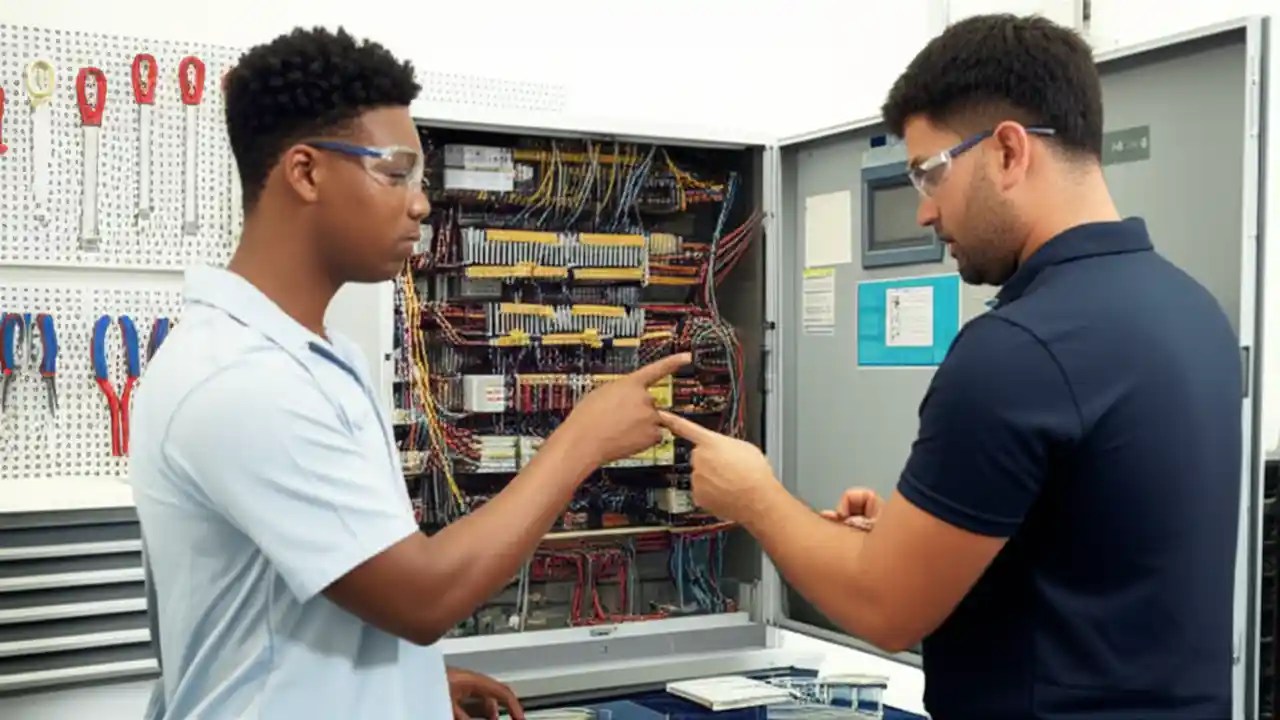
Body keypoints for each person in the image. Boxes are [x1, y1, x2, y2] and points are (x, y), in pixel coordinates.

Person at [659, 13, 1241, 720]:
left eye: (930, 173)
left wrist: (754, 496)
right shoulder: (1195, 312)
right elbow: (1099, 555)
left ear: (1007, 151)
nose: (926, 211)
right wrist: (920, 536)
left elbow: (885, 609)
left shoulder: (1017, 350)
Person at [128, 26, 689, 720]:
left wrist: (411, 682)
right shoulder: (241, 382)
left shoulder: (314, 358)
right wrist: (582, 439)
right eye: (395, 174)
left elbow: (335, 587)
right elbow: (420, 597)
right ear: (305, 173)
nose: (421, 204)